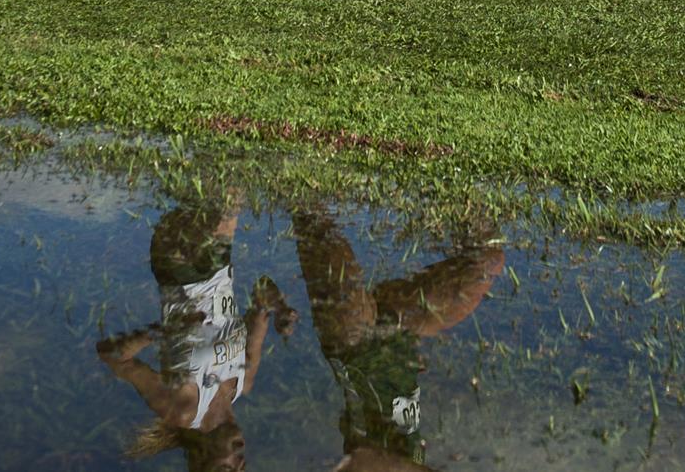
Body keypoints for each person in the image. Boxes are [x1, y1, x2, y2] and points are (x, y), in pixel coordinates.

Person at [290, 204, 503, 471]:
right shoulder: (416, 458)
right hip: (401, 339)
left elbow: (360, 460)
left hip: (354, 350)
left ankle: (307, 201)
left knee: (315, 225)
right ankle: (462, 193)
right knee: (488, 260)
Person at [96, 198, 296, 472]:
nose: (239, 463)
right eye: (243, 469)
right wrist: (280, 308)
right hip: (219, 263)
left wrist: (161, 332)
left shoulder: (183, 410)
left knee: (226, 194)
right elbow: (262, 292)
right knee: (227, 192)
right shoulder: (244, 382)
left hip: (178, 267)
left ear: (201, 460)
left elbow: (113, 356)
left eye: (227, 470)